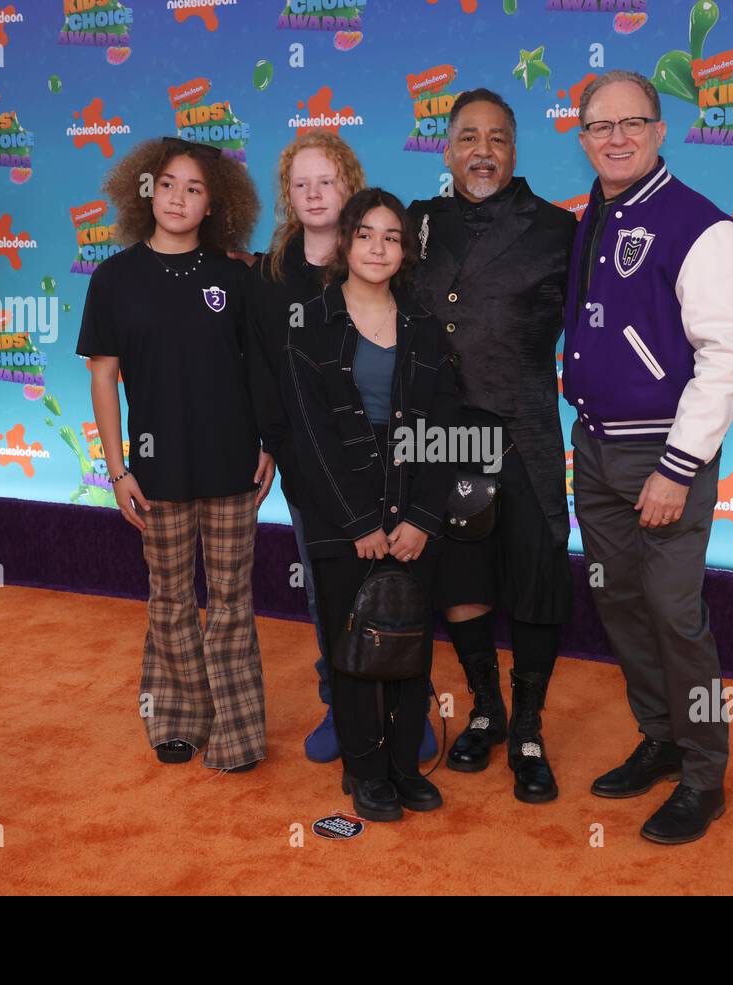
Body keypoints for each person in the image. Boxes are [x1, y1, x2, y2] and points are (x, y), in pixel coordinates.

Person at [564, 71, 733, 842]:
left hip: (664, 456)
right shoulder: (592, 214)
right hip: (596, 447)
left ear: (660, 130)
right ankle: (663, 735)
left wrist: (677, 468)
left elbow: (731, 358)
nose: (616, 138)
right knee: (619, 601)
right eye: (600, 126)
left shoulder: (700, 226)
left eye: (633, 123)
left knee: (676, 616)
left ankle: (705, 775)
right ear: (582, 137)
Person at [76, 136, 274, 773]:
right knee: (167, 598)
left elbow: (262, 367)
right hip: (156, 469)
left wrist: (268, 440)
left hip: (232, 463)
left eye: (193, 189)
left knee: (231, 602)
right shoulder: (114, 278)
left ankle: (238, 734)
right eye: (167, 185)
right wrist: (117, 466)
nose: (178, 198)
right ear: (147, 191)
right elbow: (103, 375)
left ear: (215, 203)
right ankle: (178, 721)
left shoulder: (236, 276)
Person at [246, 132, 438, 765]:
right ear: (287, 195)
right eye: (300, 183)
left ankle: (409, 701)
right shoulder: (272, 276)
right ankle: (343, 704)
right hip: (313, 464)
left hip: (394, 463)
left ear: (349, 186)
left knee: (399, 582)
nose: (312, 193)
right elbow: (264, 376)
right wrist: (278, 449)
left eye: (325, 180)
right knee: (331, 593)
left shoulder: (379, 262)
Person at [407, 89, 575, 804]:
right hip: (449, 438)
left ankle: (530, 725)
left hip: (524, 432)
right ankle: (485, 705)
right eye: (468, 137)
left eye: (497, 138)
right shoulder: (415, 222)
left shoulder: (559, 228)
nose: (482, 150)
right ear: (446, 149)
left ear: (515, 149)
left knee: (536, 576)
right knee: (463, 576)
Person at [273, 188, 459, 821]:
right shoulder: (307, 319)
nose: (378, 248)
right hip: (336, 503)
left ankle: (405, 768)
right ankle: (366, 771)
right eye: (366, 235)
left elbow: (443, 429)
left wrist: (422, 519)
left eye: (392, 237)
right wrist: (357, 522)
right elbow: (308, 431)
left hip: (412, 498)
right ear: (345, 243)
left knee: (406, 639)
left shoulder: (426, 325)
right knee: (351, 644)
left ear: (405, 251)